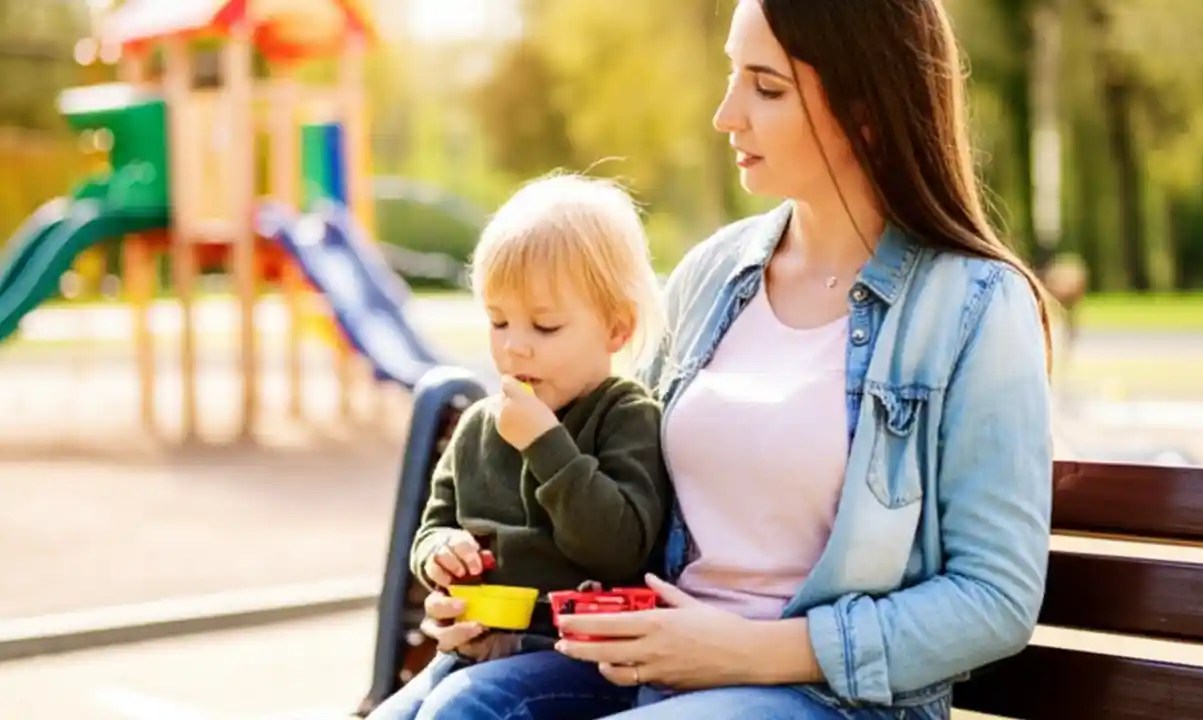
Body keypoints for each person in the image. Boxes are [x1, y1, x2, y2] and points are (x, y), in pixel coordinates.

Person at [415, 0, 1054, 717]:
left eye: (767, 87)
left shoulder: (973, 306)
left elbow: (997, 598)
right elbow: (620, 494)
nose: (726, 113)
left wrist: (745, 651)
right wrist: (483, 606)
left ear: (866, 107)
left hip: (827, 697)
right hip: (642, 664)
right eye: (731, 76)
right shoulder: (713, 274)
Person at [367, 174, 671, 720]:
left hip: (584, 660)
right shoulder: (480, 426)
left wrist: (546, 443)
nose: (514, 346)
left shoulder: (625, 415)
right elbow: (435, 524)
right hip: (480, 647)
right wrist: (440, 554)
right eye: (498, 321)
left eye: (546, 325)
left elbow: (619, 545)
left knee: (463, 708)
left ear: (616, 331)